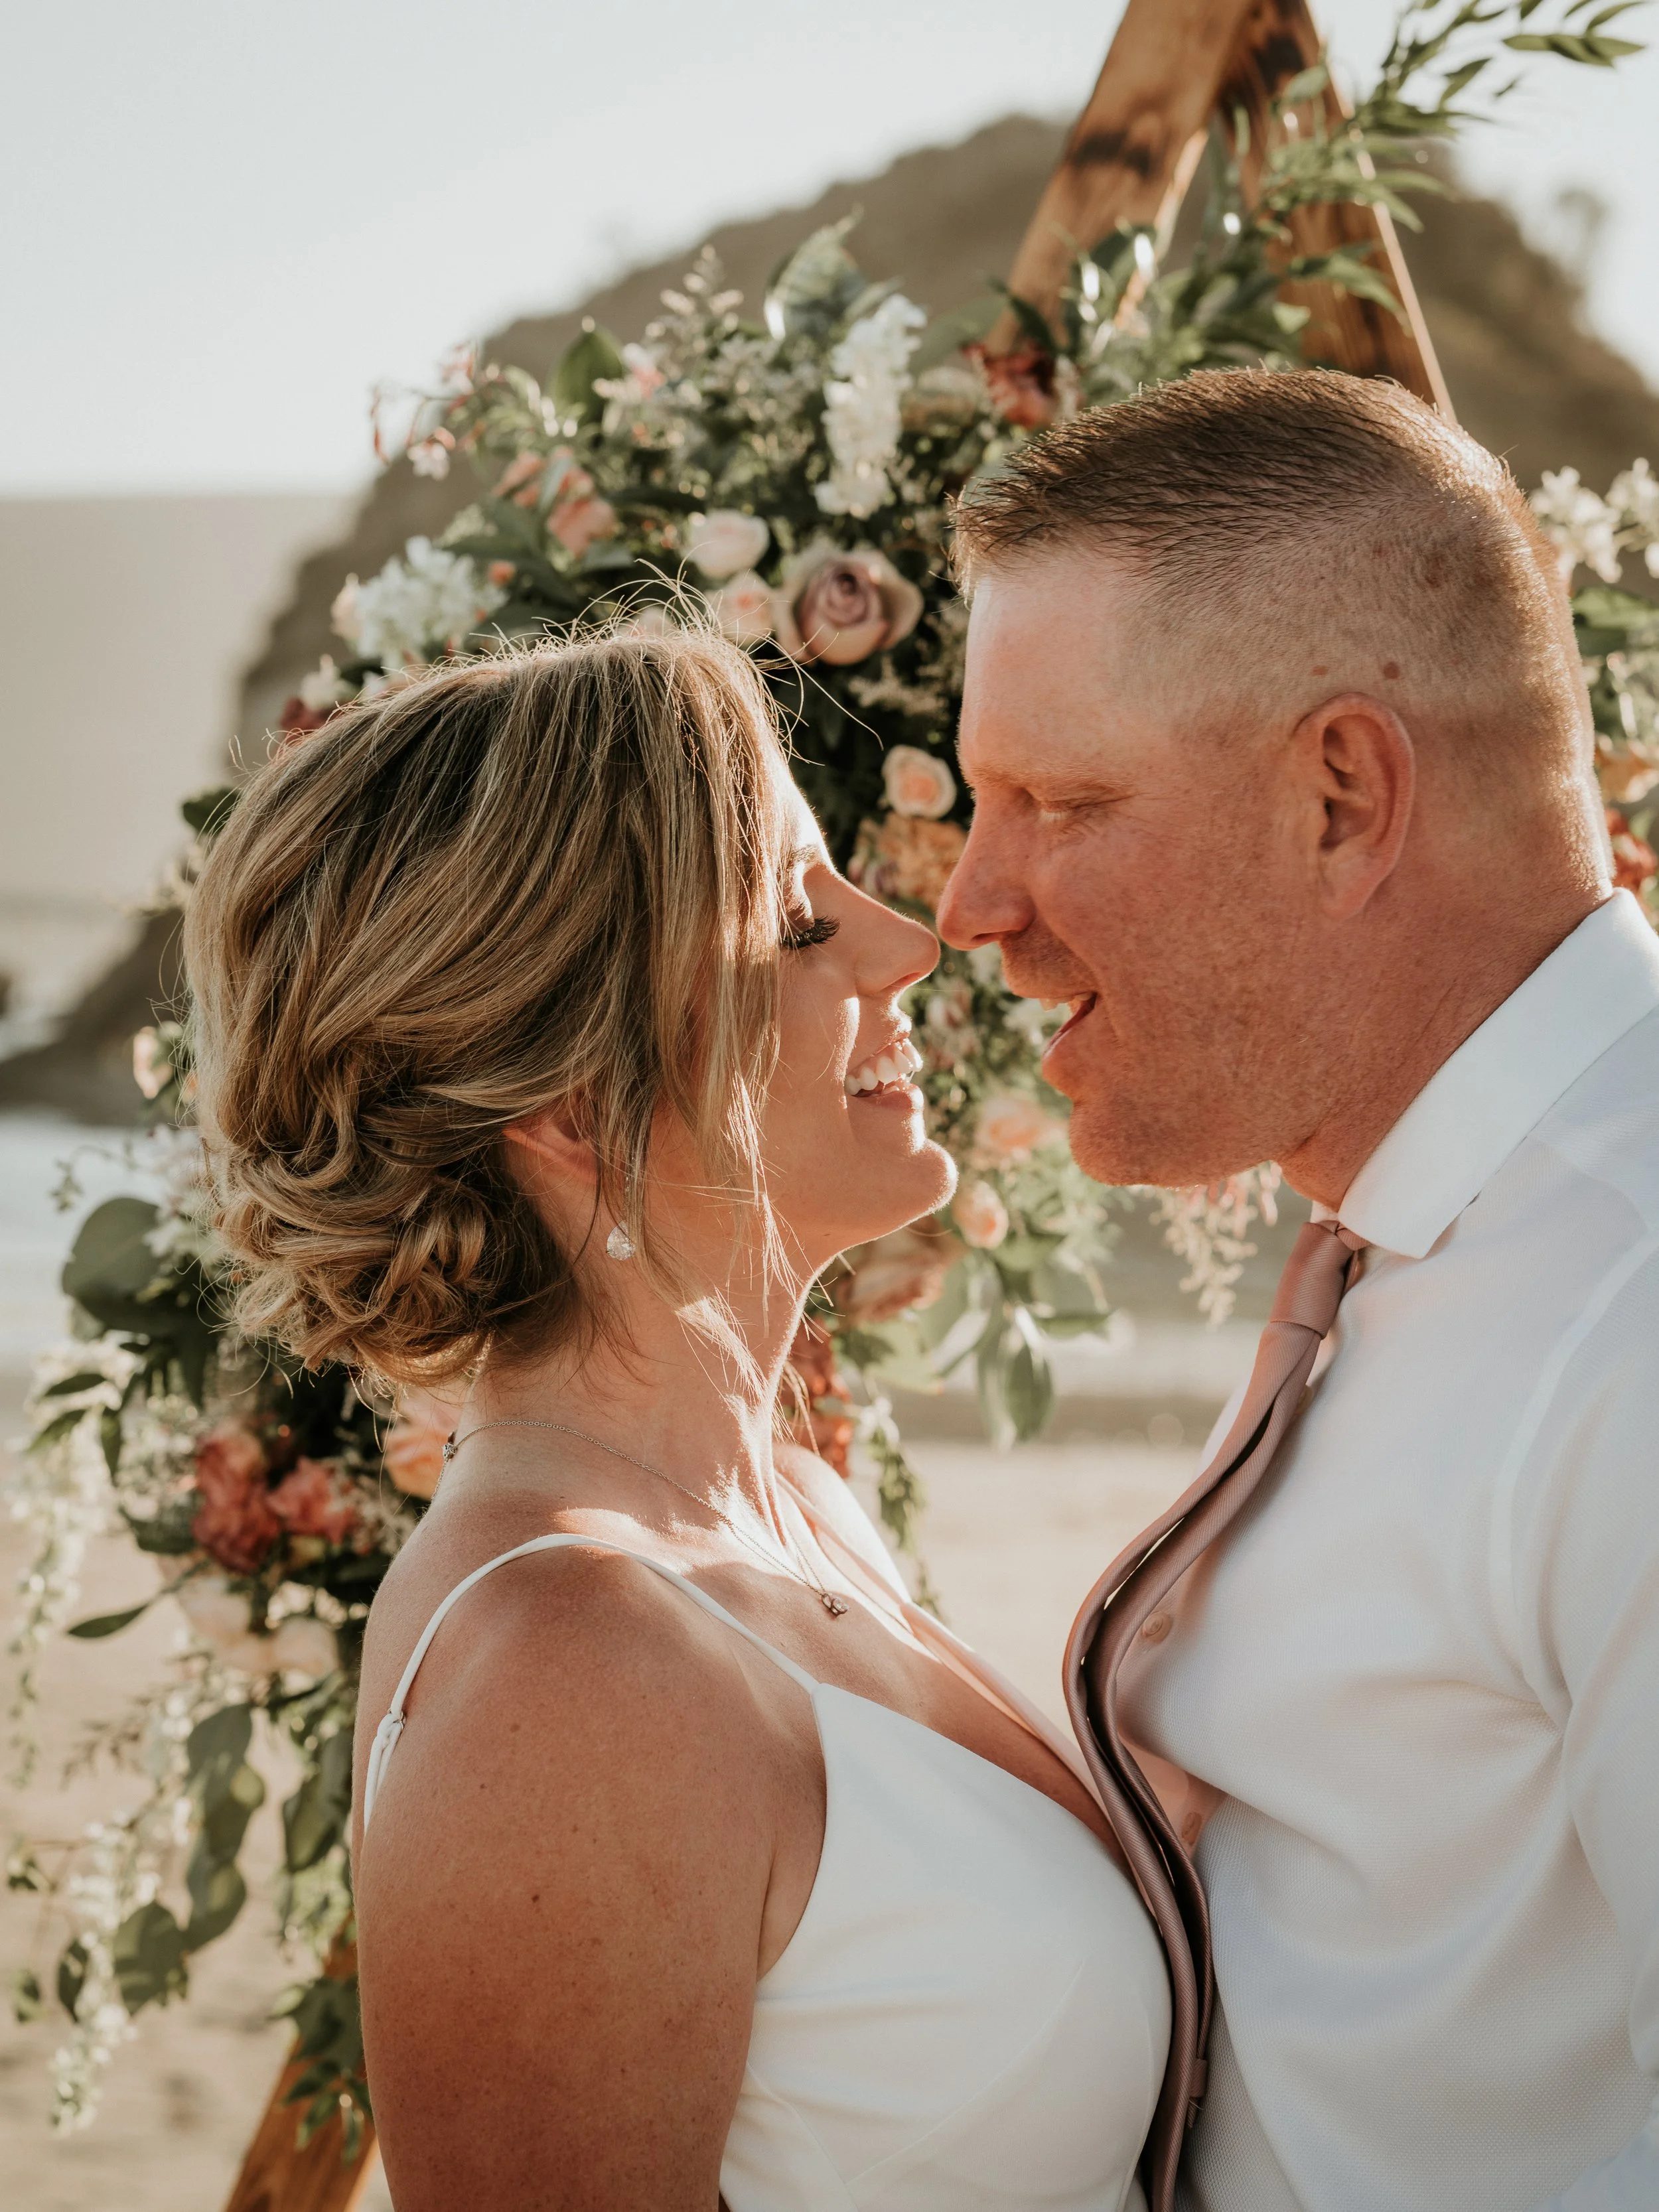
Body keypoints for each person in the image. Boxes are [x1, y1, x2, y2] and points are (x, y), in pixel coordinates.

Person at [182, 628, 1172, 2211]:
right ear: (573, 1106)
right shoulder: (565, 1672)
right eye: (796, 919)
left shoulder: (787, 1504)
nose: (905, 945)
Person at [938, 366, 1659, 2211]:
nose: (970, 903)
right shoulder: (1439, 1227)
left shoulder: (1631, 1313)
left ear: (1341, 795)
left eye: (1056, 800)